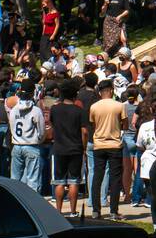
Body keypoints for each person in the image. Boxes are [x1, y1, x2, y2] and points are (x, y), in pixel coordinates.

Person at [50, 82, 89, 217]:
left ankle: (59, 211)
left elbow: (52, 125)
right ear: (74, 95)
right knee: (74, 181)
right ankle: (73, 211)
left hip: (59, 148)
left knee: (59, 181)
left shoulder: (55, 109)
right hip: (75, 148)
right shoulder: (79, 111)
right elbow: (84, 131)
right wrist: (83, 147)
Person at [88, 80, 126, 220]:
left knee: (97, 177)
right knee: (115, 179)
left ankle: (96, 210)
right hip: (114, 144)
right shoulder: (119, 105)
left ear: (100, 91)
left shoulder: (94, 107)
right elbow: (125, 125)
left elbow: (93, 124)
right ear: (111, 90)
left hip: (99, 144)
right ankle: (113, 211)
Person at [7, 80, 46, 193]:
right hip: (31, 146)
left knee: (15, 179)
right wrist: (39, 140)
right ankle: (32, 205)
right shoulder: (35, 110)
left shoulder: (14, 109)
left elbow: (11, 126)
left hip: (17, 146)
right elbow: (42, 131)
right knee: (33, 180)